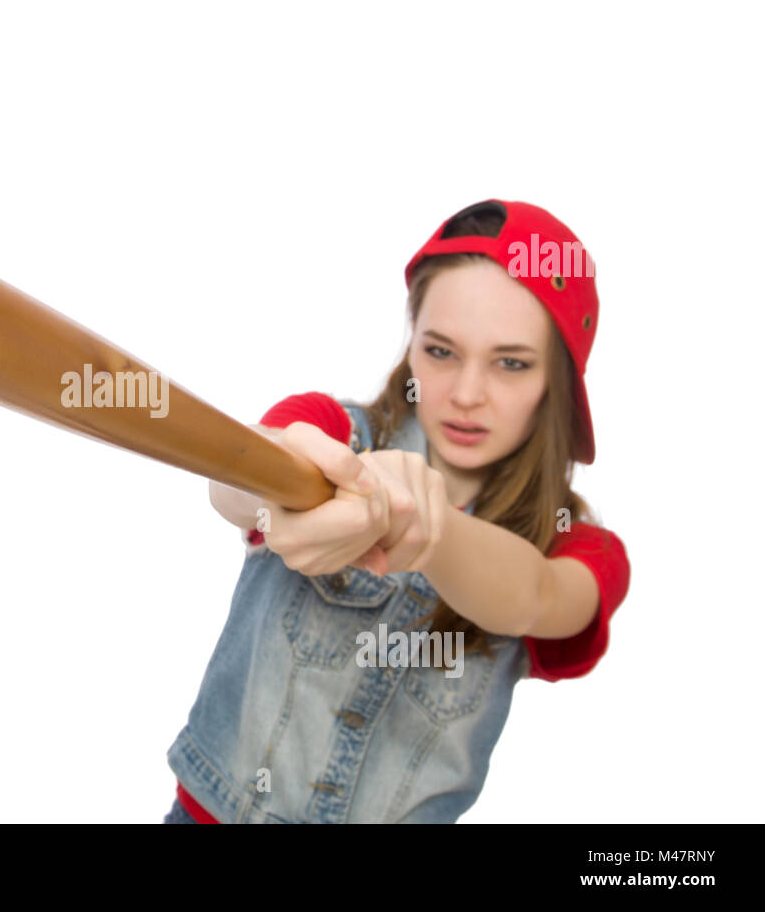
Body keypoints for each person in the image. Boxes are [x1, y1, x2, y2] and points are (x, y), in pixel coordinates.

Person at [163, 199, 630, 823]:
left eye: (511, 363)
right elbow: (234, 482)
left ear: (559, 381)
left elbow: (538, 595)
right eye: (440, 352)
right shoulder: (332, 429)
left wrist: (429, 528)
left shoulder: (582, 548)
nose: (467, 394)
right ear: (412, 346)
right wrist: (285, 478)